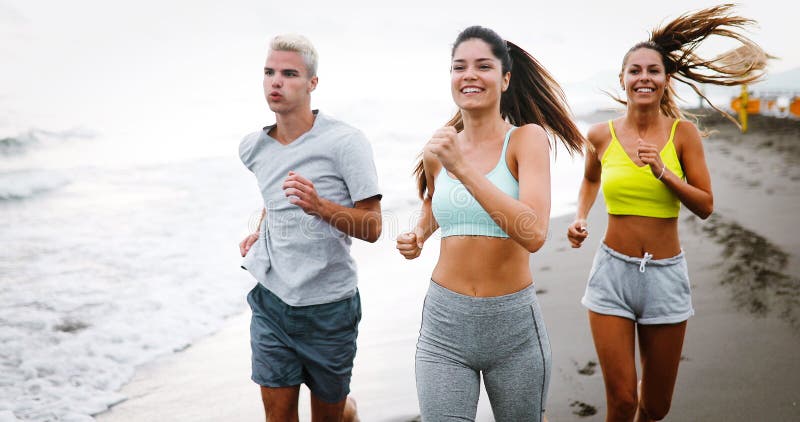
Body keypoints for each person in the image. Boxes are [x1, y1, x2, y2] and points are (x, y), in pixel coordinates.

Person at [566, 5, 769, 421]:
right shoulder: (600, 135)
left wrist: (663, 172)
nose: (644, 78)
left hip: (665, 277)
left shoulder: (683, 135)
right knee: (621, 401)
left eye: (653, 71)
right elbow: (589, 180)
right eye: (635, 71)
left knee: (654, 408)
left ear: (665, 80)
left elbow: (705, 205)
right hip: (610, 275)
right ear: (622, 80)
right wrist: (581, 215)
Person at [396, 26, 585, 421]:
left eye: (483, 66)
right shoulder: (440, 149)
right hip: (443, 326)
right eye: (458, 66)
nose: (469, 74)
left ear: (505, 78)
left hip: (513, 329)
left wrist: (463, 168)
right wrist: (418, 233)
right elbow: (438, 203)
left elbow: (533, 233)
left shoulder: (526, 140)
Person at [238, 33, 382, 422]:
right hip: (272, 301)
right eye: (269, 72)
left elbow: (372, 227)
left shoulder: (345, 142)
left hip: (329, 308)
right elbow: (275, 199)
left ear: (312, 83)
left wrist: (319, 207)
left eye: (288, 73)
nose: (276, 82)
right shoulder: (253, 147)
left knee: (330, 418)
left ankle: (347, 413)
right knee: (279, 416)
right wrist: (261, 231)